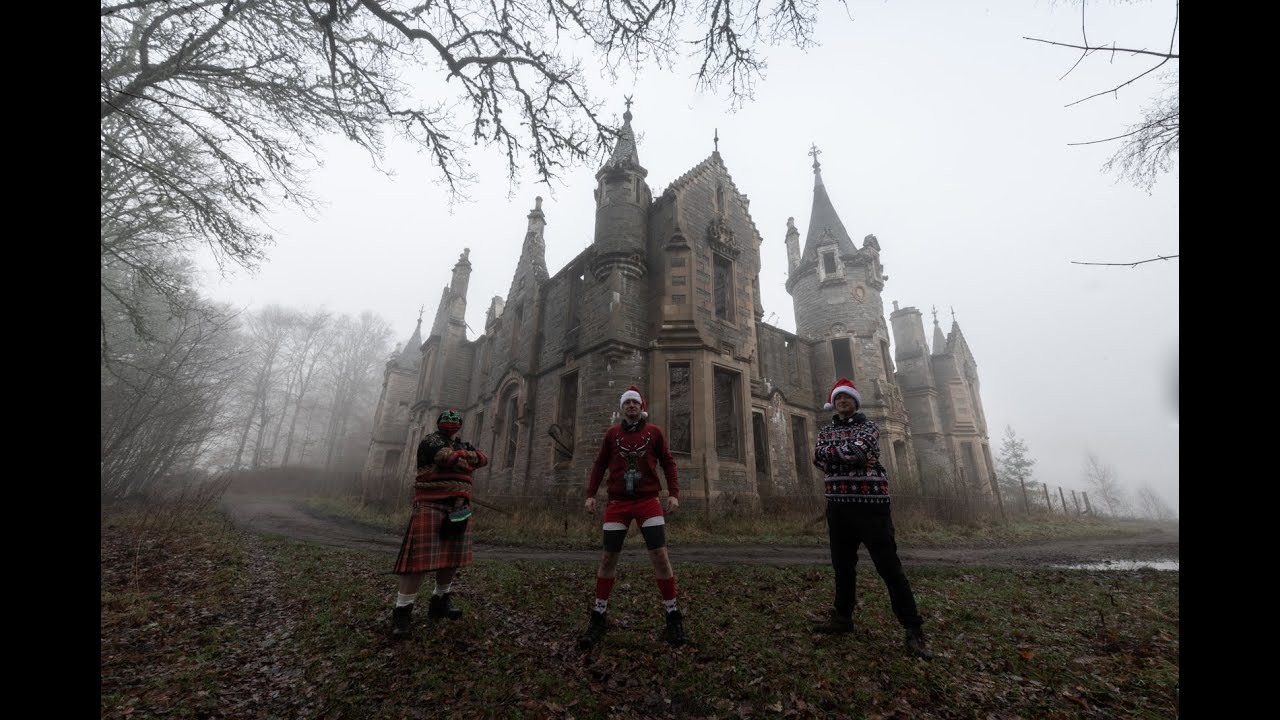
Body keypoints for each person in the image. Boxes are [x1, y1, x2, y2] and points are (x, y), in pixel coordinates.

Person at [811, 378, 933, 659]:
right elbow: (818, 458)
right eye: (838, 398)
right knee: (842, 566)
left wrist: (837, 456)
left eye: (847, 398)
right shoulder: (825, 430)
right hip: (838, 507)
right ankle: (842, 617)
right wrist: (848, 456)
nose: (842, 401)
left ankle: (913, 629)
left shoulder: (869, 427)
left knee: (890, 568)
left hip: (871, 507)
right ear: (834, 403)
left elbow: (859, 450)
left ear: (855, 401)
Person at [577, 385, 687, 649]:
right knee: (608, 557)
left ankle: (672, 615)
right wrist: (590, 494)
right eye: (627, 403)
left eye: (635, 403)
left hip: (648, 501)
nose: (631, 406)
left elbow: (668, 462)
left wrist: (674, 494)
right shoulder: (612, 434)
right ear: (622, 408)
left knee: (660, 556)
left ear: (641, 407)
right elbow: (599, 464)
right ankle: (599, 616)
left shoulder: (654, 433)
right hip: (618, 502)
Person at [389, 409, 488, 640]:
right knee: (418, 562)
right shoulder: (430, 441)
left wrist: (462, 457)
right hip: (431, 504)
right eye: (447, 420)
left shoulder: (462, 444)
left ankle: (440, 602)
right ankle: (402, 611)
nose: (450, 423)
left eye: (455, 420)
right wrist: (465, 460)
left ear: (460, 424)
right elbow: (447, 458)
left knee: (451, 558)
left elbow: (483, 459)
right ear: (439, 422)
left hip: (459, 507)